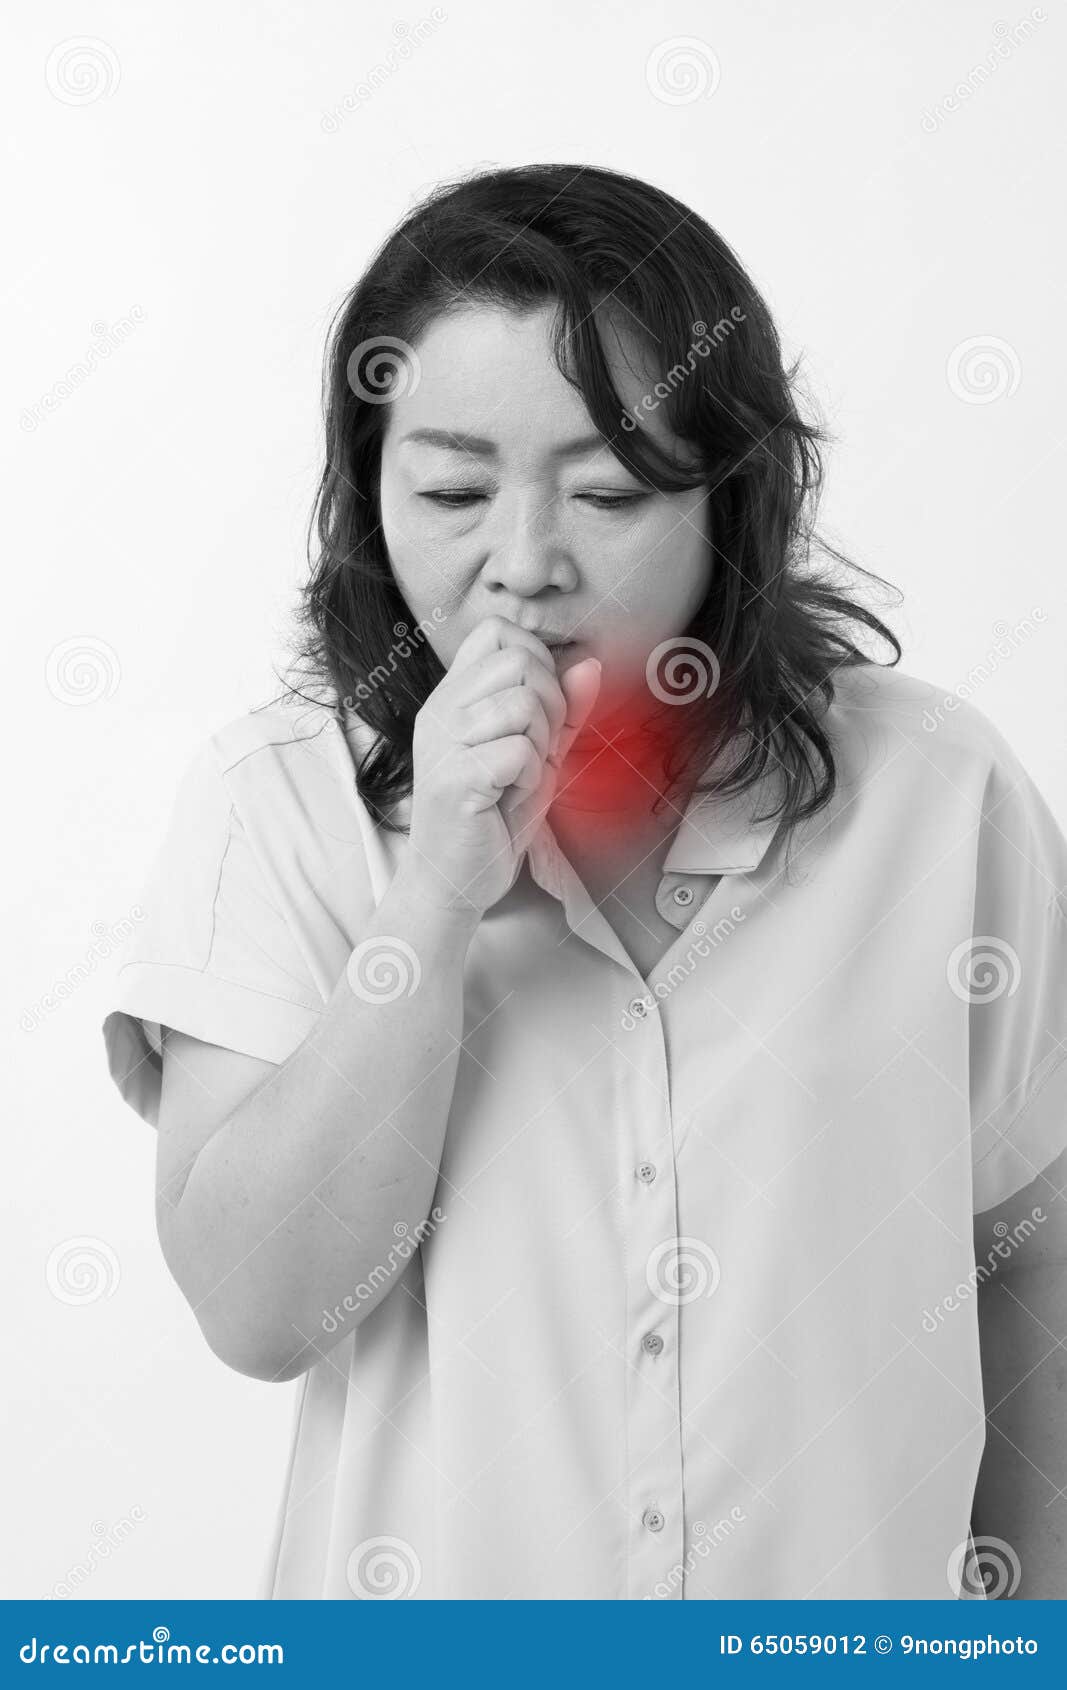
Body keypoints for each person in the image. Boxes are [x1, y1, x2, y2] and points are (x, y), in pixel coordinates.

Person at [102, 163, 1067, 1601]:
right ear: (372, 491)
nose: (523, 566)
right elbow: (257, 1305)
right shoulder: (276, 808)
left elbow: (1024, 1265)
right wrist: (431, 899)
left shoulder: (941, 797)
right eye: (451, 487)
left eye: (609, 490)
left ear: (730, 498)